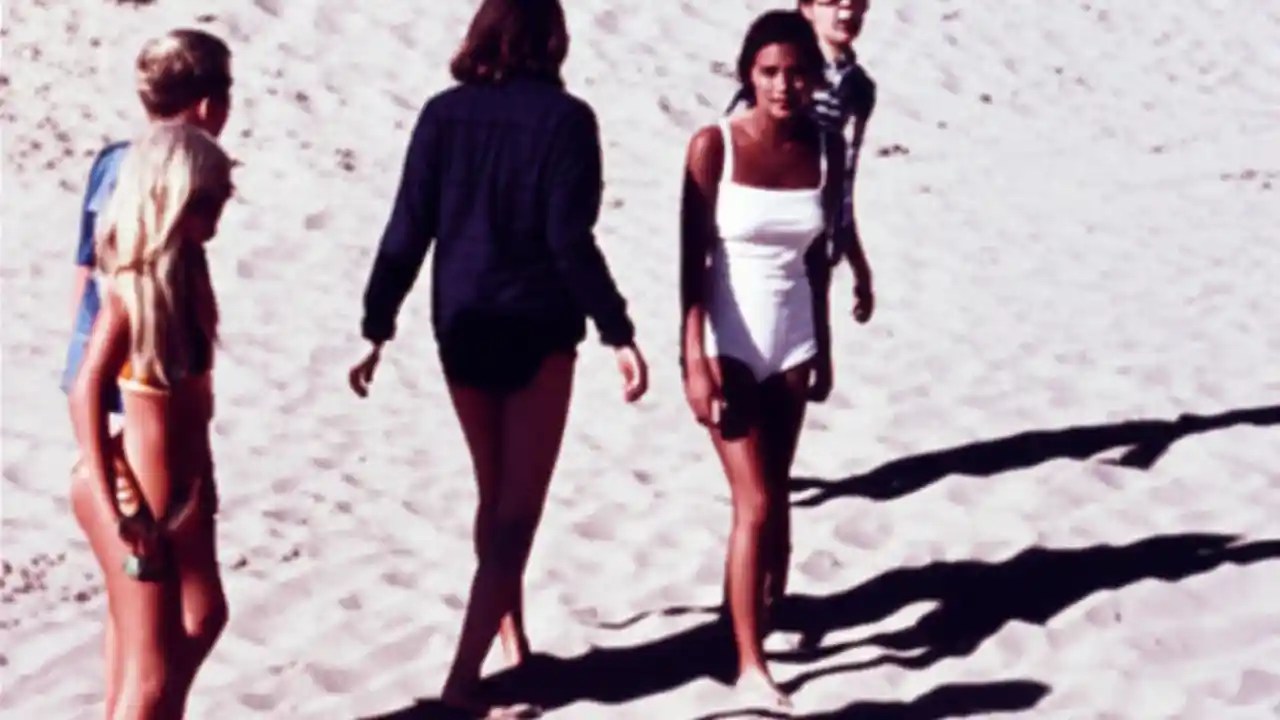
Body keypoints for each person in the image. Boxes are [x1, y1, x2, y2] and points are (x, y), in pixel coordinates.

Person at [349, 0, 648, 713]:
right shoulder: (569, 121)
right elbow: (568, 240)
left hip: (460, 324)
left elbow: (407, 227)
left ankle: (511, 649)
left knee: (495, 497)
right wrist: (618, 330)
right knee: (516, 515)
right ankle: (462, 687)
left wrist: (376, 324)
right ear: (553, 40)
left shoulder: (441, 114)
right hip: (537, 329)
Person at [679, 9, 874, 708]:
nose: (784, 85)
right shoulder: (714, 146)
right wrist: (692, 359)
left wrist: (823, 346)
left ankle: (764, 614)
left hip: (792, 343)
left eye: (796, 72)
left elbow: (817, 262)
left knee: (778, 493)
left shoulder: (823, 148)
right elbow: (690, 266)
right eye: (769, 72)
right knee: (754, 503)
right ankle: (750, 665)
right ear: (747, 76)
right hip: (728, 343)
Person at [69, 122, 235, 720]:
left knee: (204, 617)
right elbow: (86, 384)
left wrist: (205, 482)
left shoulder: (190, 273)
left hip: (181, 492)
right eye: (206, 202)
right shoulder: (133, 289)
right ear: (171, 200)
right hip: (137, 500)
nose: (217, 216)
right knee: (152, 676)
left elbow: (196, 399)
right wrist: (117, 506)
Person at [62, 28, 234, 417]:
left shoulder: (112, 160)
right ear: (208, 106)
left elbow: (84, 263)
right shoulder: (178, 176)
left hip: (96, 351)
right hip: (147, 362)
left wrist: (83, 340)